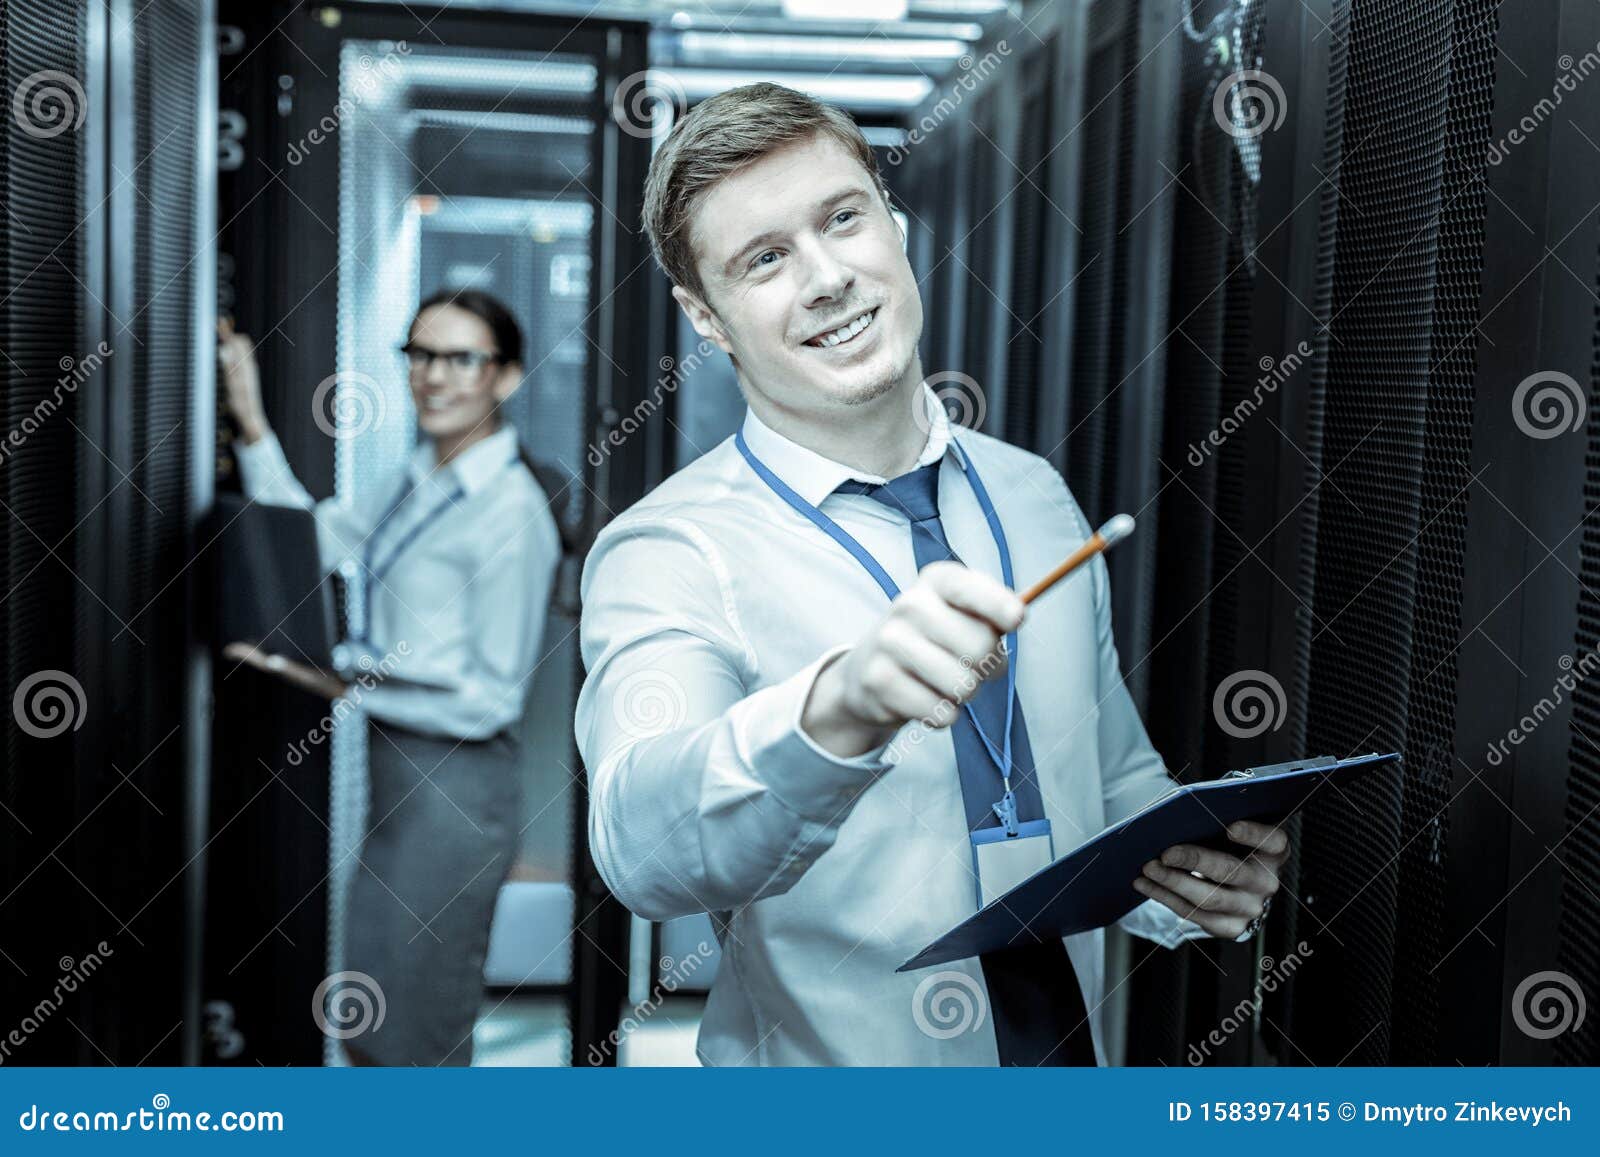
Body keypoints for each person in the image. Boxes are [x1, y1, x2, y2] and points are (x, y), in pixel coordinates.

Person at [574, 83, 1289, 1066]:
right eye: (765, 259)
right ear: (704, 315)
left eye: (840, 218)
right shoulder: (668, 550)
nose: (826, 278)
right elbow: (642, 848)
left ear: (893, 224)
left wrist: (1189, 881)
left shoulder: (1033, 494)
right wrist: (838, 707)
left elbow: (1108, 781)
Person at [218, 288, 563, 1066]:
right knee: (373, 1016)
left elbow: (492, 694)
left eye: (460, 359)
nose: (433, 377)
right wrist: (250, 420)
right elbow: (312, 541)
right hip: (399, 780)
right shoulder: (416, 481)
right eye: (420, 354)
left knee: (417, 1025)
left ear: (504, 378)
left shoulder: (512, 513)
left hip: (459, 790)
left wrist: (337, 677)